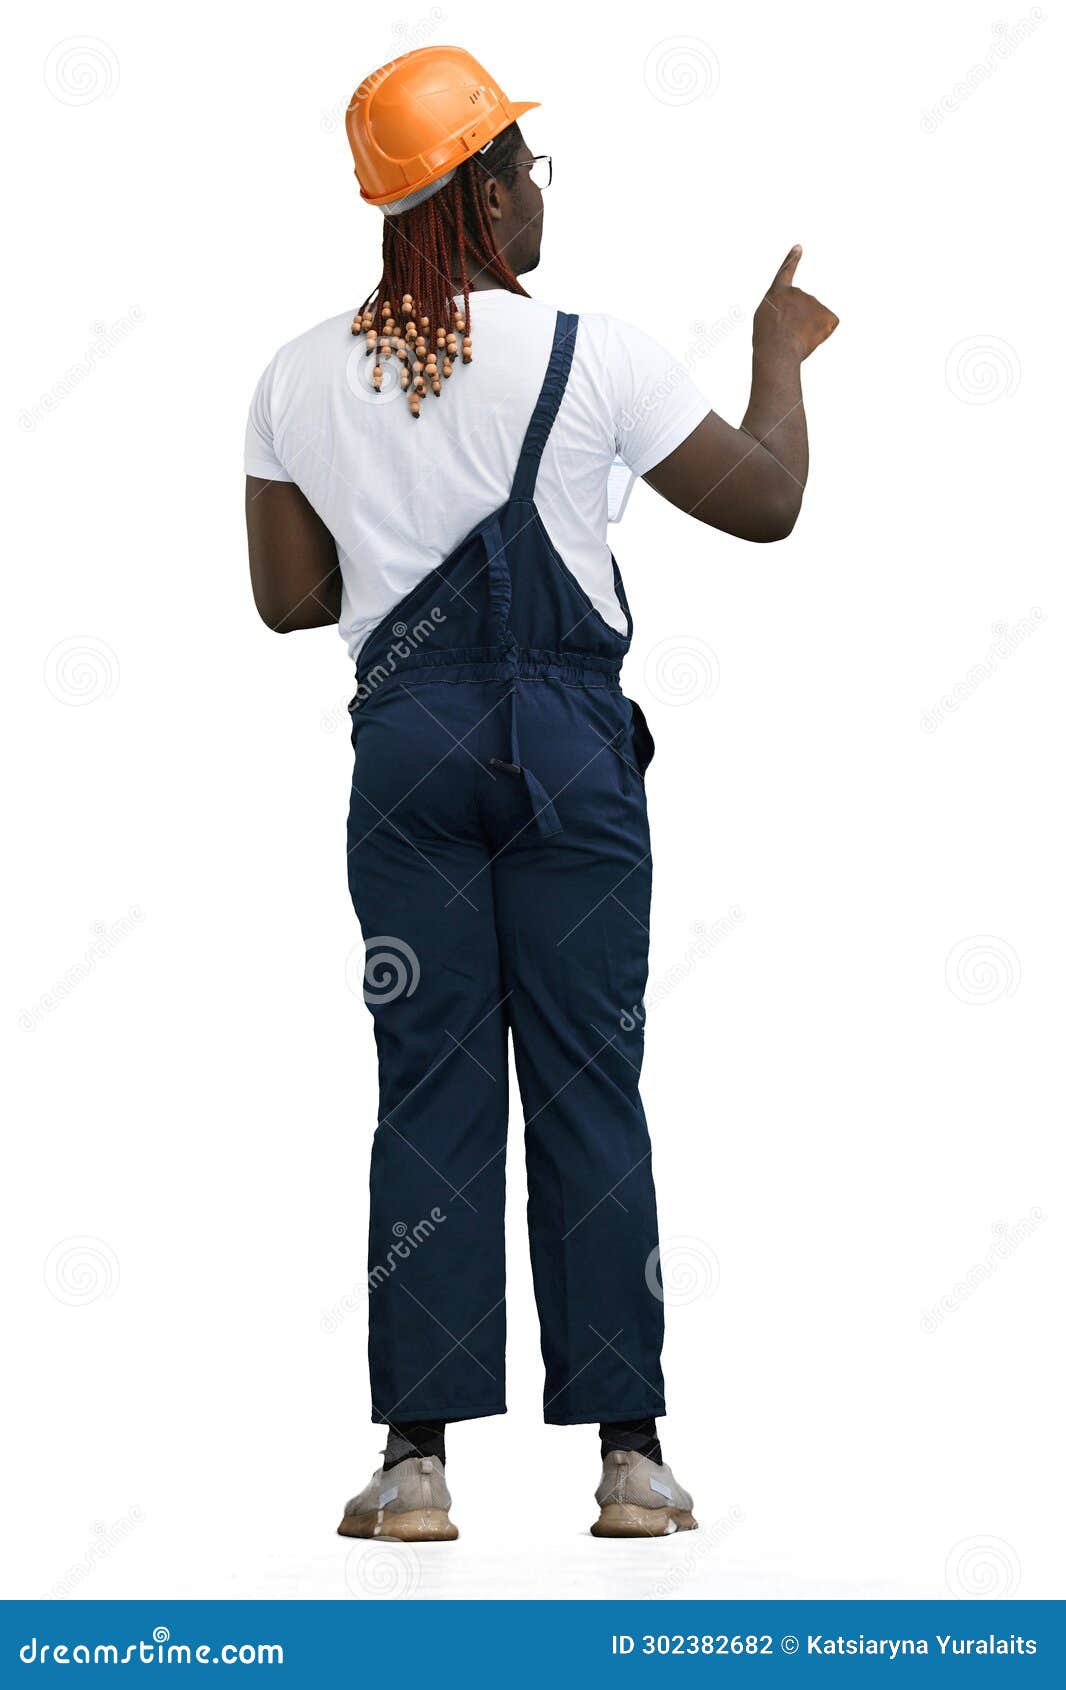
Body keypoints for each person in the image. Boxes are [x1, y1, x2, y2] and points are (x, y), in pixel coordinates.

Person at [244, 45, 837, 1543]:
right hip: (568, 755)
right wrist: (777, 351)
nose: (536, 196)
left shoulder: (297, 374)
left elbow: (283, 597)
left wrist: (394, 519)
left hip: (406, 760)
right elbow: (766, 505)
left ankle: (413, 1466)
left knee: (427, 1091)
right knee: (587, 1079)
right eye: (525, 170)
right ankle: (630, 1463)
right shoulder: (602, 352)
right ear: (488, 193)